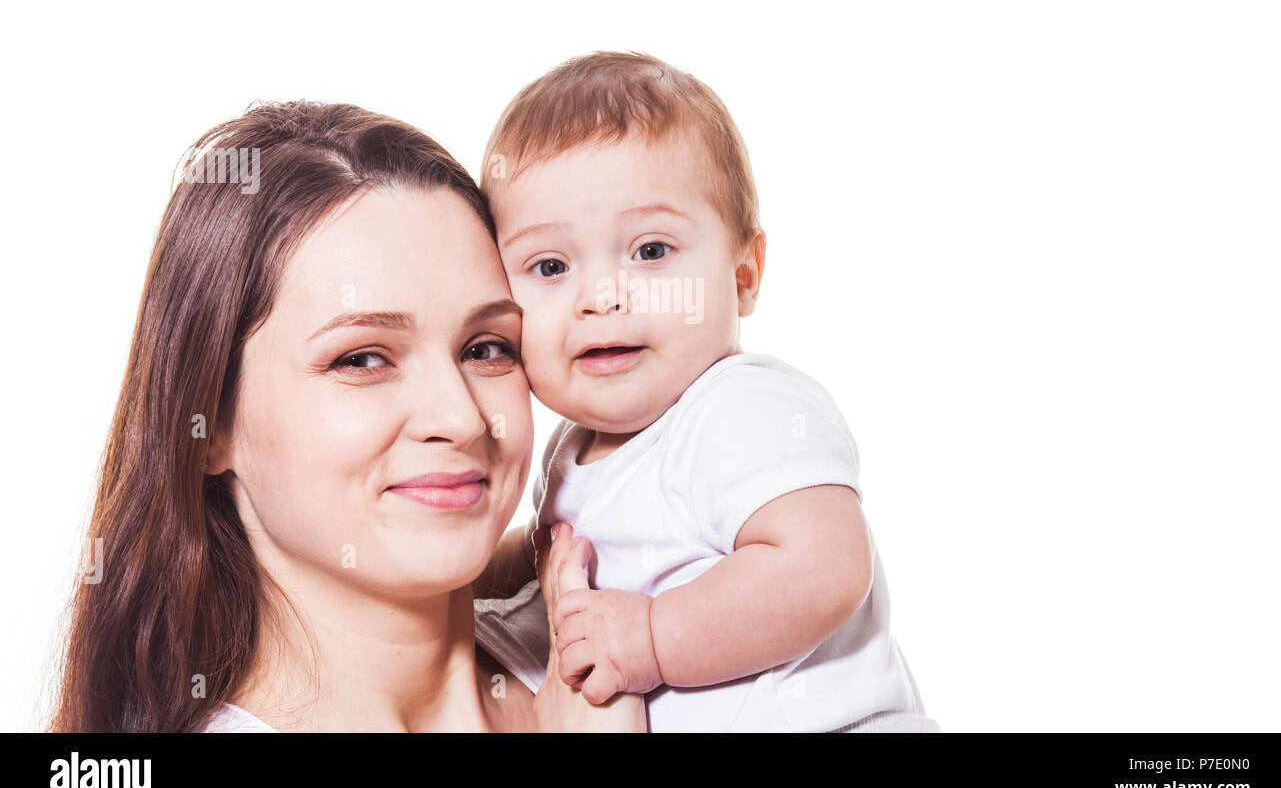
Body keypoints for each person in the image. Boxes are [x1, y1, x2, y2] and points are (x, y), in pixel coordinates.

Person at [47, 101, 644, 732]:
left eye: (486, 348)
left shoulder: (635, 637)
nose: (462, 418)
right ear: (208, 423)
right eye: (361, 359)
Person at [474, 52, 938, 732]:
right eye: (550, 265)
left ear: (744, 275)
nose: (602, 296)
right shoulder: (575, 446)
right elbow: (566, 549)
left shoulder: (740, 409)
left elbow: (826, 567)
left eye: (652, 251)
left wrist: (654, 638)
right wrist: (478, 573)